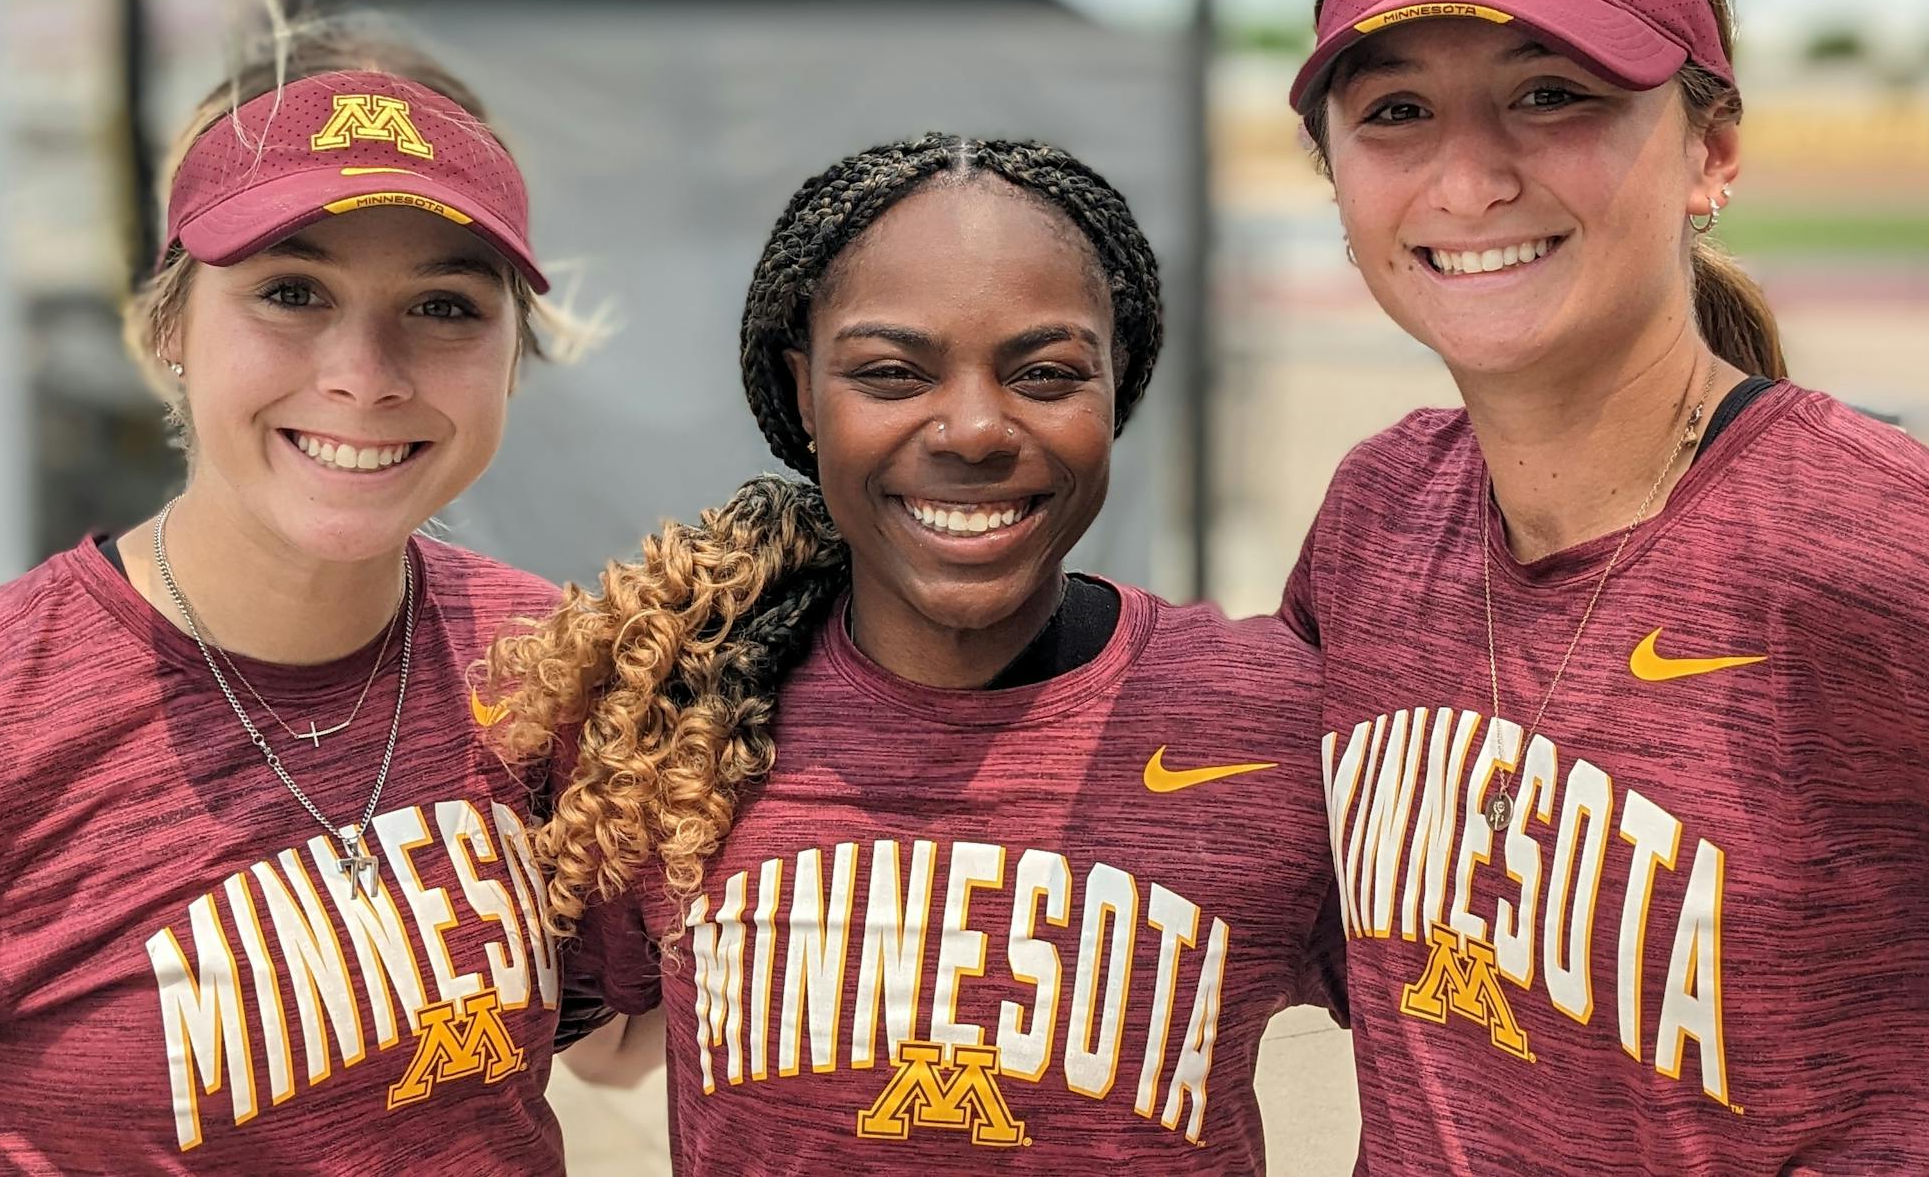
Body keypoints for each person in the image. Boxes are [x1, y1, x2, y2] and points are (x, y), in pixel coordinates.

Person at [1279, 0, 1929, 1173]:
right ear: (1337, 175)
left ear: (1714, 151)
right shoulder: (1380, 516)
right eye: (1396, 111)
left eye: (1551, 94)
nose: (1464, 182)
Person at [0, 22, 622, 1170]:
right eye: (291, 292)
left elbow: (621, 1044)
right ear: (171, 325)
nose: (362, 374)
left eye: (444, 306)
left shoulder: (551, 661)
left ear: (516, 353)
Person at [488, 133, 1342, 1172]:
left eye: (1045, 372)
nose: (975, 428)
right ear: (804, 393)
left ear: (1120, 385)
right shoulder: (676, 728)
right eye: (893, 372)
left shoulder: (1273, 721)